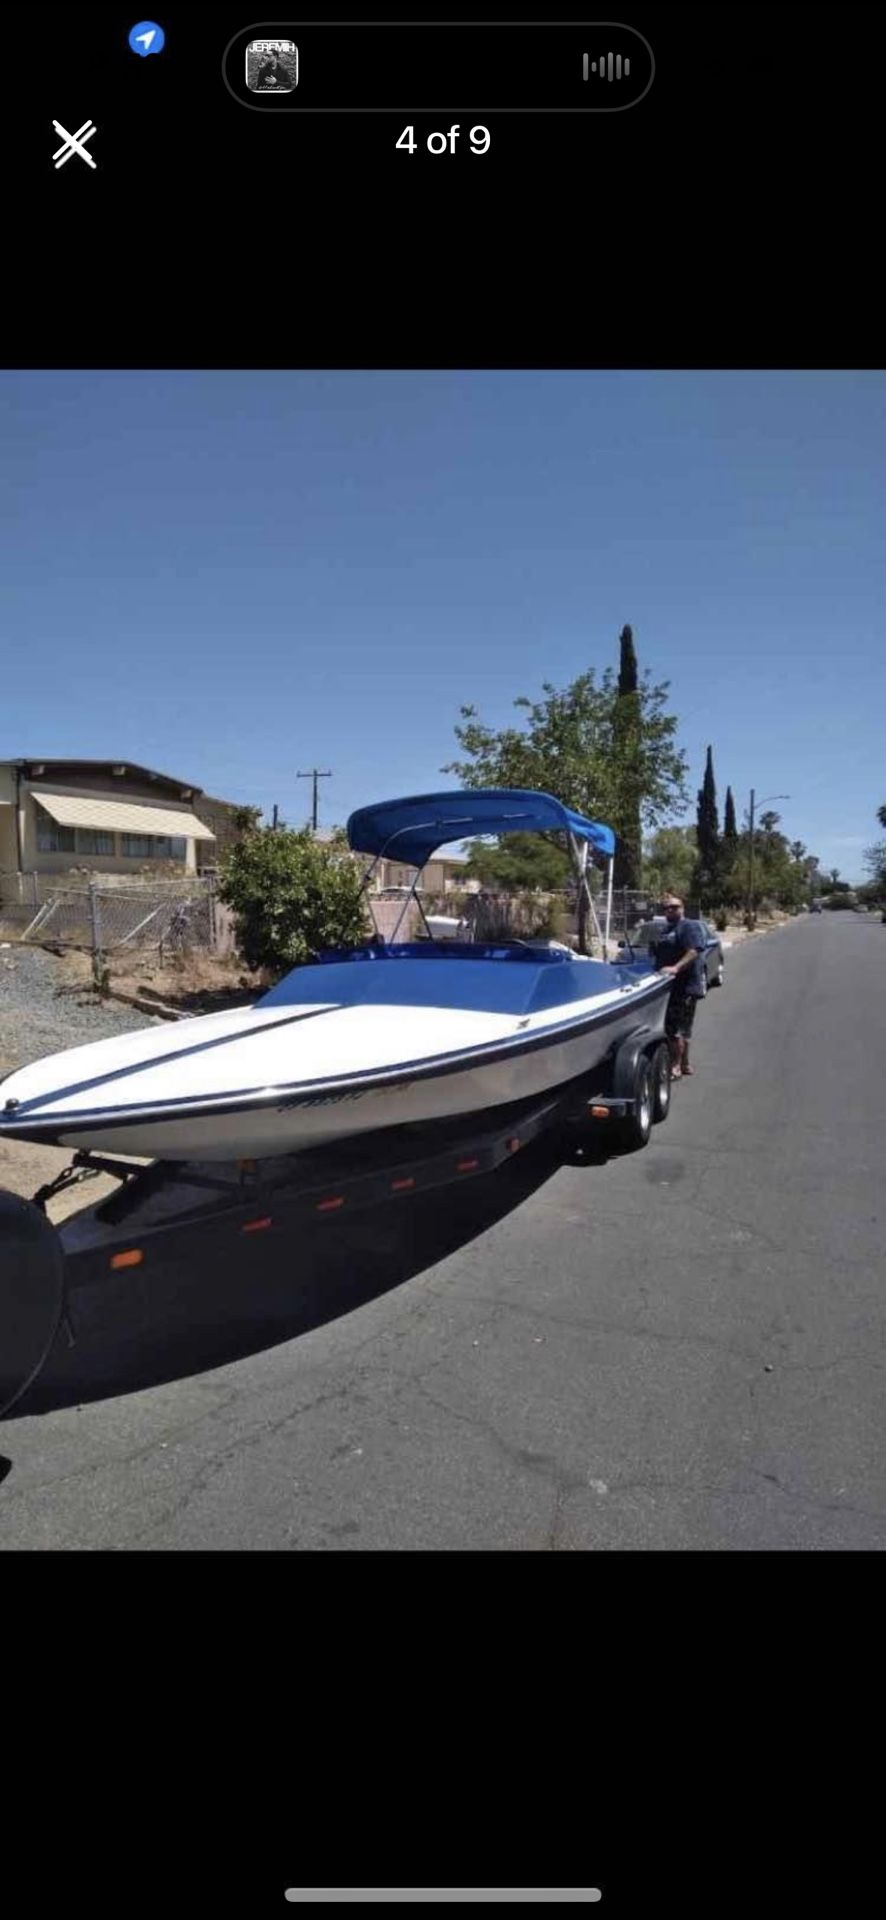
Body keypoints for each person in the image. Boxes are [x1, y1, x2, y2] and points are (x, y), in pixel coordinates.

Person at [651, 895, 706, 1078]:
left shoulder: (688, 926)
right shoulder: (667, 929)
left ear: (682, 908)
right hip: (670, 986)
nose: (670, 910)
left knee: (675, 1029)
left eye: (674, 907)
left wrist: (676, 967)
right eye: (666, 908)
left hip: (685, 987)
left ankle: (675, 1065)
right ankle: (685, 1063)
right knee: (682, 1028)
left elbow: (694, 951)